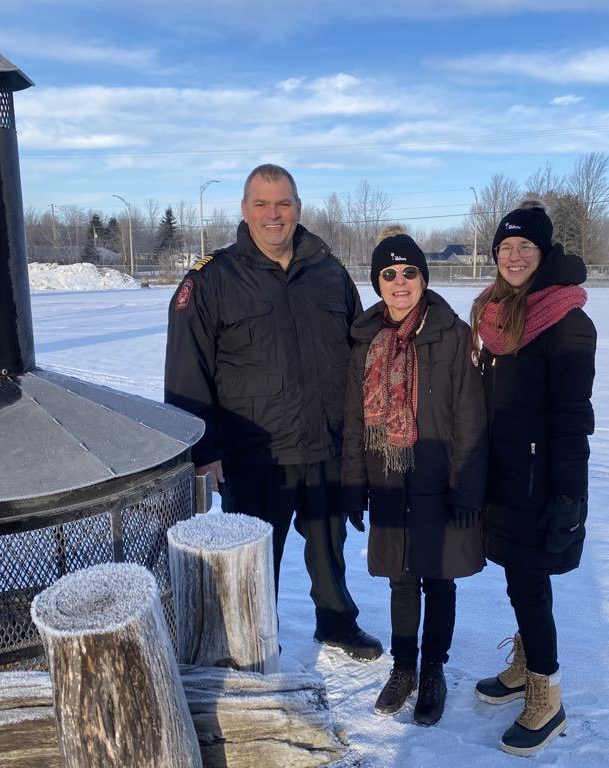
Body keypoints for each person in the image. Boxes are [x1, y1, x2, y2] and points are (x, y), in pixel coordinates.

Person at [164, 163, 382, 661]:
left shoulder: (329, 272)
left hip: (325, 441)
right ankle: (254, 638)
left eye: (283, 203)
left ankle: (337, 622)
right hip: (254, 451)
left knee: (328, 547)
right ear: (244, 211)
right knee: (257, 559)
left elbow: (359, 355)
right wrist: (203, 451)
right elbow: (186, 371)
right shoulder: (214, 279)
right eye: (261, 204)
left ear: (298, 208)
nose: (273, 214)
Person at [341, 228, 487, 726]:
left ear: (423, 278)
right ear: (377, 282)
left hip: (438, 478)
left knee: (438, 580)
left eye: (409, 272)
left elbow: (470, 415)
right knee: (400, 580)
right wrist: (352, 486)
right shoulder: (364, 340)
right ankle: (403, 669)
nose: (399, 282)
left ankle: (432, 672)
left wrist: (467, 486)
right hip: (386, 478)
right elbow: (355, 421)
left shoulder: (453, 333)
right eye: (389, 274)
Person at [469, 201, 595, 756]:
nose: (513, 256)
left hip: (543, 480)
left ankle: (547, 694)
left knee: (530, 584)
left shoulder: (566, 322)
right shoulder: (499, 313)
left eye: (524, 247)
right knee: (516, 579)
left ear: (543, 255)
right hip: (505, 471)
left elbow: (573, 420)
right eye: (505, 248)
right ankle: (524, 663)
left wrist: (567, 496)